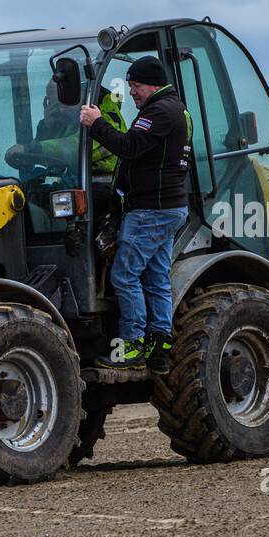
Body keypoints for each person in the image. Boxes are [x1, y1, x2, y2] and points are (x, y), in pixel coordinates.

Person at [80, 55, 192, 372]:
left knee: (124, 274)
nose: (131, 92)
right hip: (170, 208)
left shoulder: (158, 112)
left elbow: (128, 146)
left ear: (153, 84)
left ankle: (132, 345)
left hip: (150, 210)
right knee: (156, 278)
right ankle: (160, 344)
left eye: (136, 85)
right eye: (130, 86)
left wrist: (96, 122)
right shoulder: (178, 110)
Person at [7, 79, 127, 176]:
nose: (58, 109)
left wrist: (30, 148)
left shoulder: (103, 118)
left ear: (79, 96)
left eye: (61, 102)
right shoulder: (70, 121)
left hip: (104, 193)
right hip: (74, 188)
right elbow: (48, 158)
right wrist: (48, 127)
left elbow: (75, 148)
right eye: (52, 103)